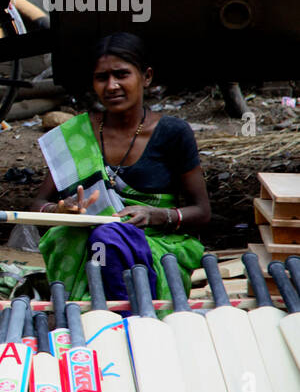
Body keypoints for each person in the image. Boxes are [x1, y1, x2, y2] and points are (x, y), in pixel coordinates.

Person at [33, 32, 210, 304]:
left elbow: (201, 212)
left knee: (109, 237)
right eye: (102, 77)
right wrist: (58, 211)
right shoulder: (76, 134)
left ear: (146, 77)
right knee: (100, 237)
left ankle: (117, 317)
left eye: (122, 74)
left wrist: (155, 215)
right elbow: (36, 206)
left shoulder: (174, 133)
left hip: (152, 246)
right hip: (88, 244)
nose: (112, 86)